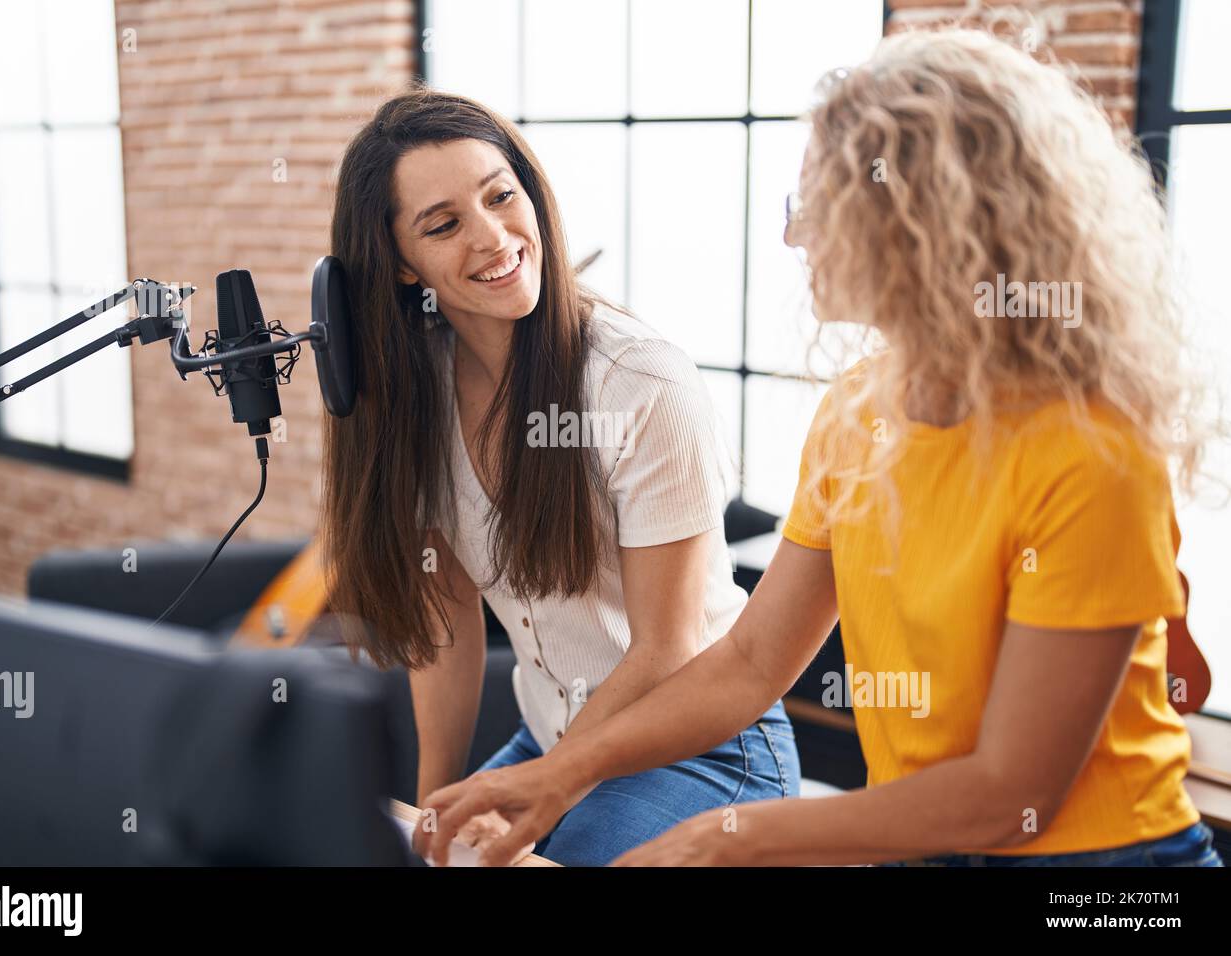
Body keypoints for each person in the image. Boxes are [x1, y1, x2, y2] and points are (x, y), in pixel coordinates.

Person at [414, 29, 1224, 868]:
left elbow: (1010, 795)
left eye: (818, 209)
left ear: (926, 227)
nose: (796, 238)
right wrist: (563, 773)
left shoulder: (1090, 453)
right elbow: (751, 660)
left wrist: (726, 837)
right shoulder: (857, 414)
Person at [320, 88, 799, 867]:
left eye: (501, 197)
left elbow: (666, 649)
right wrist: (434, 816)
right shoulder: (417, 397)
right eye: (444, 225)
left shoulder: (638, 383)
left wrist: (554, 782)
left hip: (708, 750)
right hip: (553, 740)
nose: (494, 237)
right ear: (402, 265)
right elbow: (447, 628)